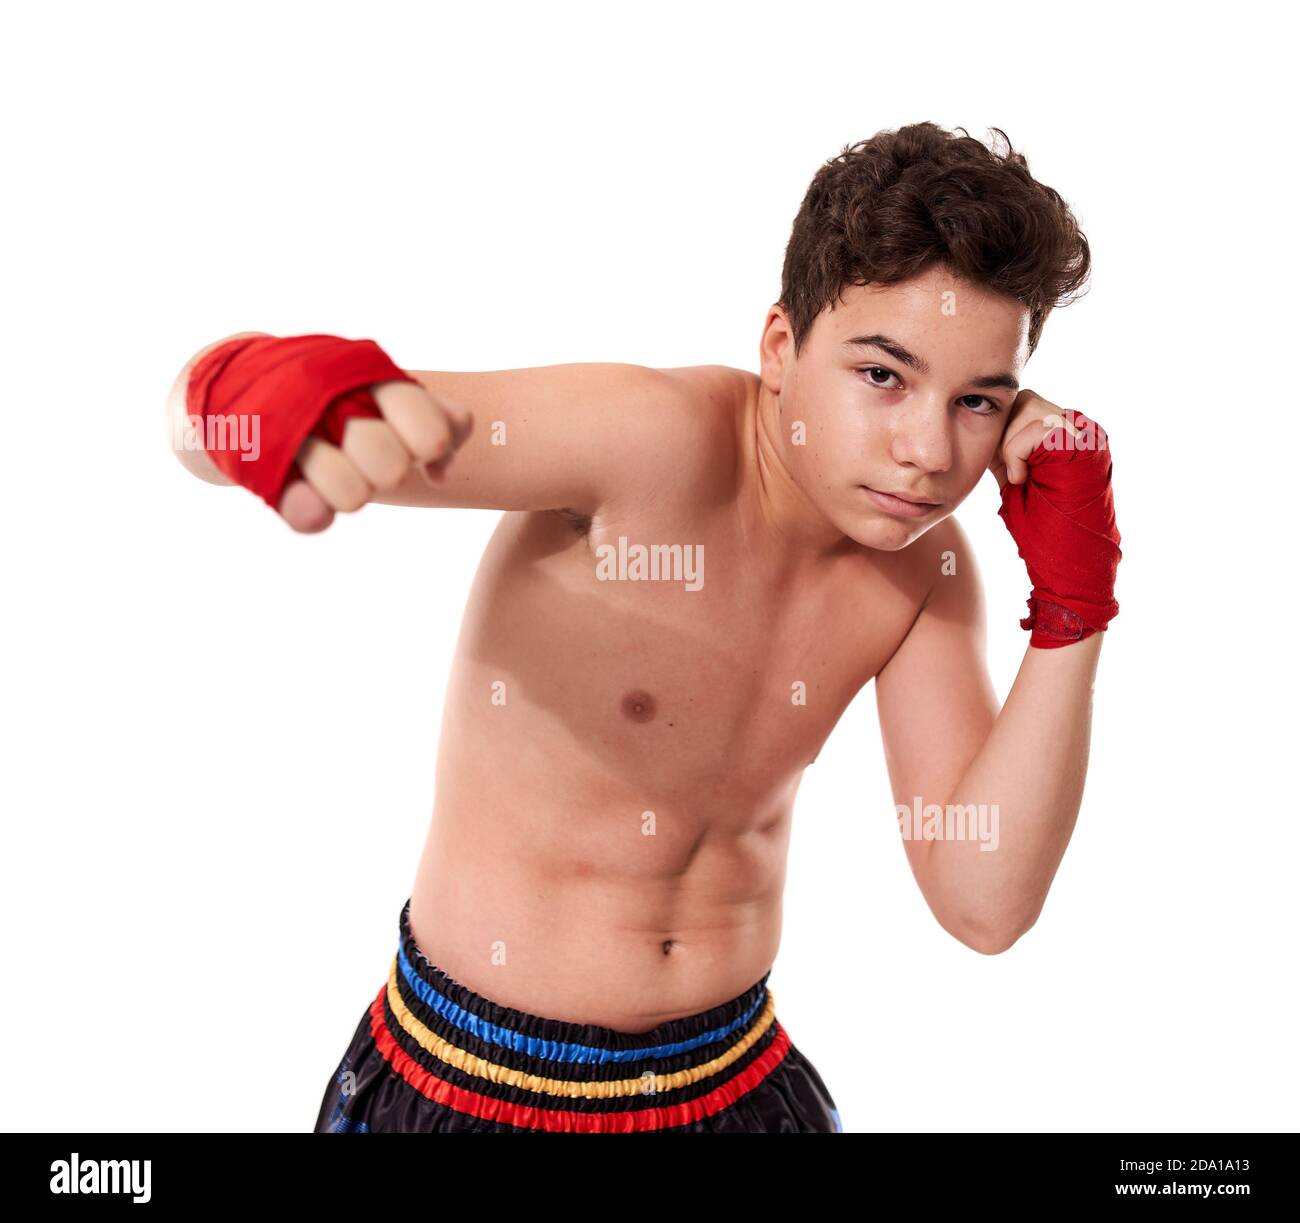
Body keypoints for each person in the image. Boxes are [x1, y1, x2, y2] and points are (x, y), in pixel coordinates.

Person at [166, 121, 1120, 1133]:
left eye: (977, 399)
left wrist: (1073, 608)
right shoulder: (647, 441)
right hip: (470, 1080)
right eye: (881, 374)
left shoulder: (925, 568)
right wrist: (238, 391)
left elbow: (984, 901)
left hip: (738, 1084)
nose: (927, 449)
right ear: (780, 349)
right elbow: (220, 434)